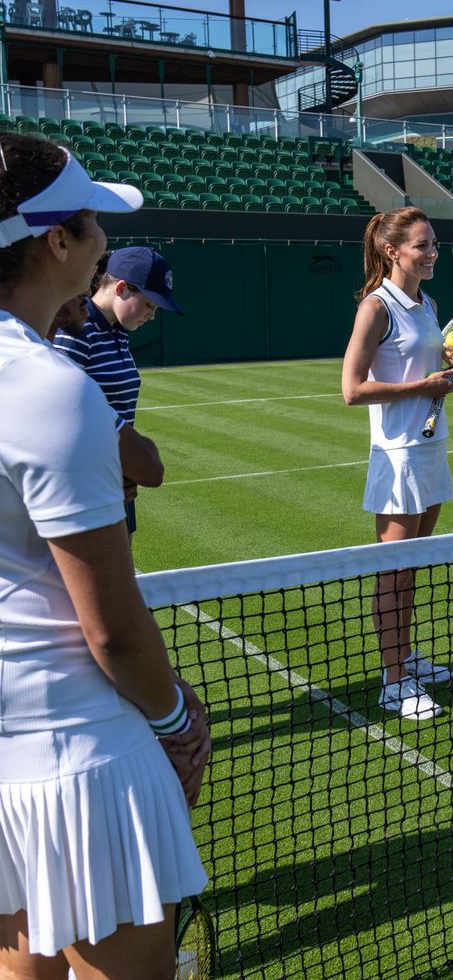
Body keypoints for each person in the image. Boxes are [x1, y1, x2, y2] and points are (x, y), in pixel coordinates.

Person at [0, 133, 209, 978]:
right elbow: (113, 628)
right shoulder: (51, 389)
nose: (98, 244)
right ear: (56, 240)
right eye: (89, 223)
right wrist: (175, 720)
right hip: (76, 753)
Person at [341, 207, 453, 722]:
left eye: (434, 243)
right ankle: (393, 683)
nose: (432, 252)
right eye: (422, 245)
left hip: (432, 447)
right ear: (393, 252)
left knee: (411, 568)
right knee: (392, 574)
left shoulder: (428, 302)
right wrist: (423, 385)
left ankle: (405, 655)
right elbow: (352, 390)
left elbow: (432, 369)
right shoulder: (376, 308)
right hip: (397, 457)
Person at [54, 246, 181, 534]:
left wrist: (124, 468)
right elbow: (58, 410)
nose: (151, 316)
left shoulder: (118, 332)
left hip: (115, 480)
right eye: (149, 305)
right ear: (121, 288)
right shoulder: (76, 331)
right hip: (82, 488)